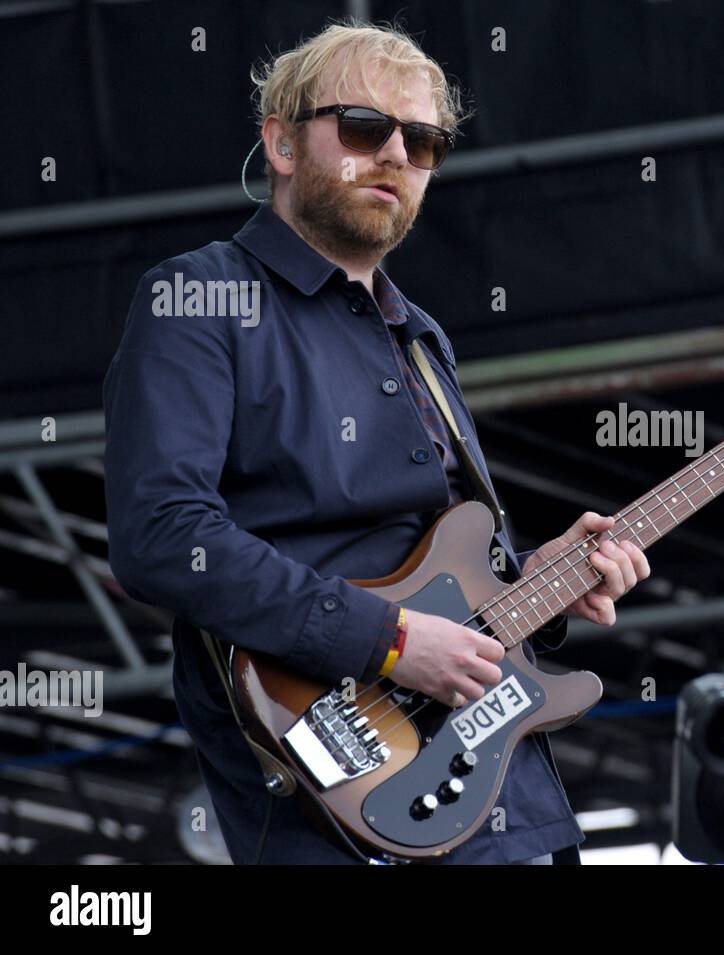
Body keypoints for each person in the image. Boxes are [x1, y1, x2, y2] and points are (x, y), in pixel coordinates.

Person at [103, 21, 649, 865]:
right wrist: (389, 640)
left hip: (507, 798)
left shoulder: (421, 336)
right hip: (334, 791)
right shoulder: (198, 293)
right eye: (365, 127)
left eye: (424, 141)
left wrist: (536, 581)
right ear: (281, 144)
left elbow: (440, 567)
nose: (397, 152)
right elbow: (162, 537)